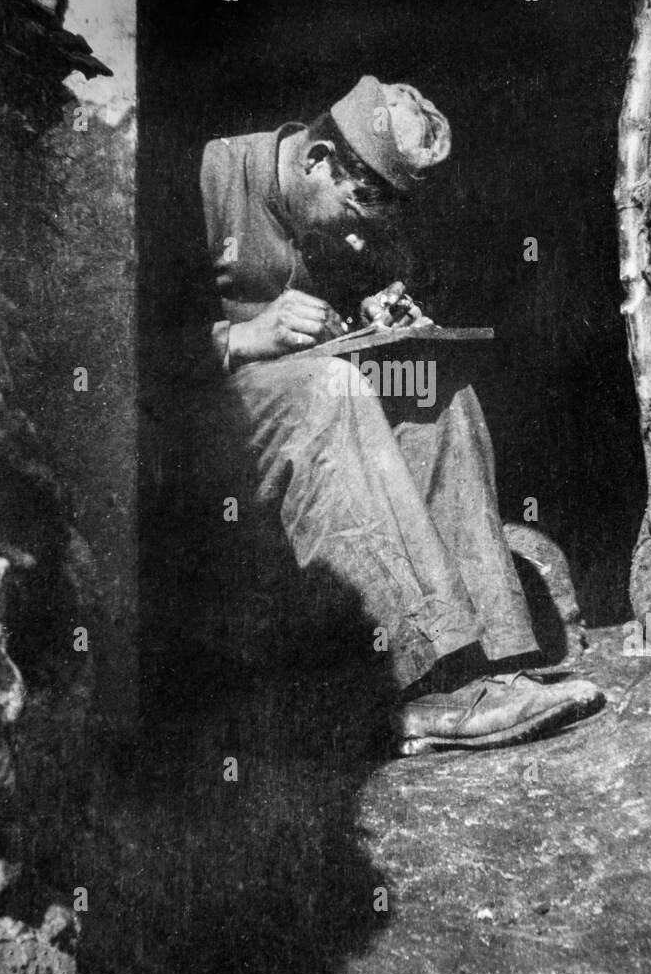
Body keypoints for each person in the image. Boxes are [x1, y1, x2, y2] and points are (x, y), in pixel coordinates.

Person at [183, 75, 604, 755]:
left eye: (387, 208)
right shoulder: (209, 174)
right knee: (332, 388)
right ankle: (426, 680)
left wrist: (382, 314)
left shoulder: (341, 213)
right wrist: (244, 336)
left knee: (433, 389)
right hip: (207, 414)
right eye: (364, 201)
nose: (368, 224)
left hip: (311, 393)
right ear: (318, 159)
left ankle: (492, 658)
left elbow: (359, 299)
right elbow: (133, 343)